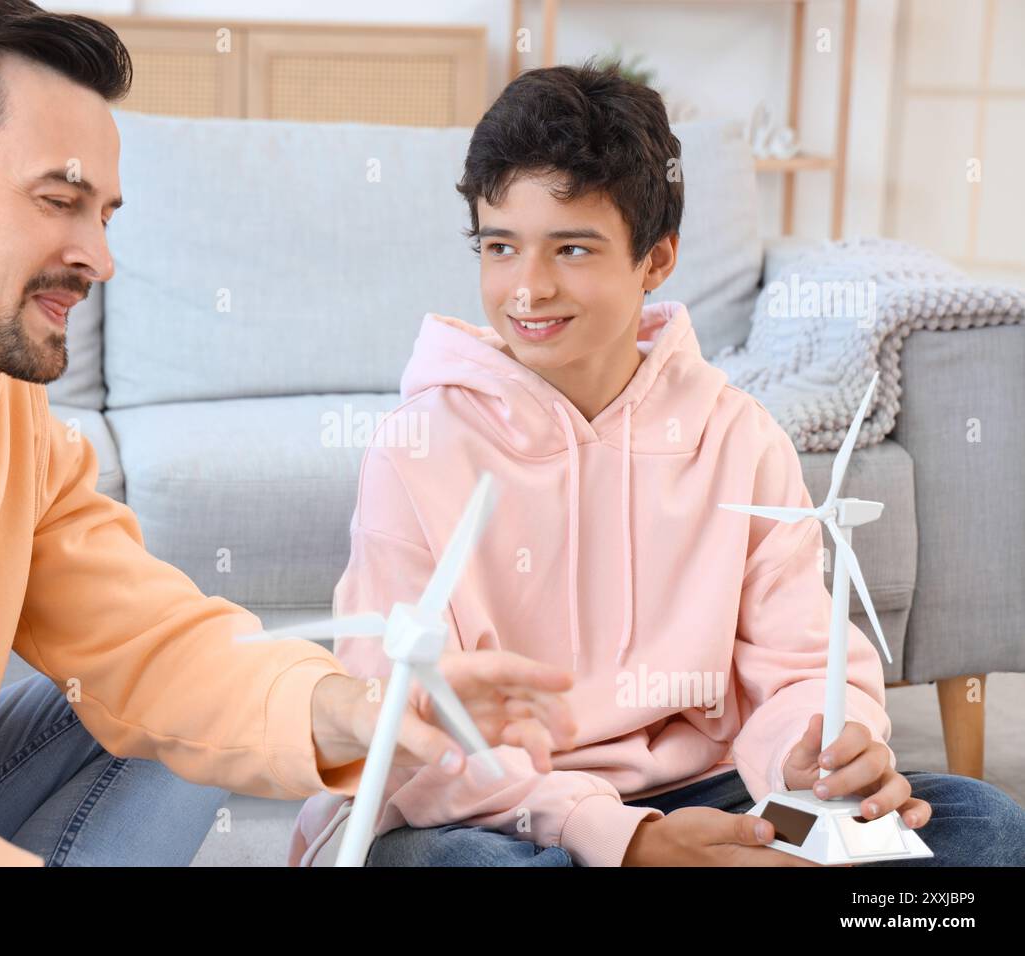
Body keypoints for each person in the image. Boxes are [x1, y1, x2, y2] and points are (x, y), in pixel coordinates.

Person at [0, 0, 577, 866]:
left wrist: (354, 706)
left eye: (105, 214)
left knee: (180, 712)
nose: (98, 257)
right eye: (59, 200)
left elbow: (146, 639)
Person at [288, 61, 1025, 867]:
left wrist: (821, 750)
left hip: (712, 789)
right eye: (502, 247)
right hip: (504, 812)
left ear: (657, 259)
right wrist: (624, 840)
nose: (527, 289)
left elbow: (799, 666)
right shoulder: (416, 449)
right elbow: (402, 727)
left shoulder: (739, 436)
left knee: (983, 824)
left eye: (572, 248)